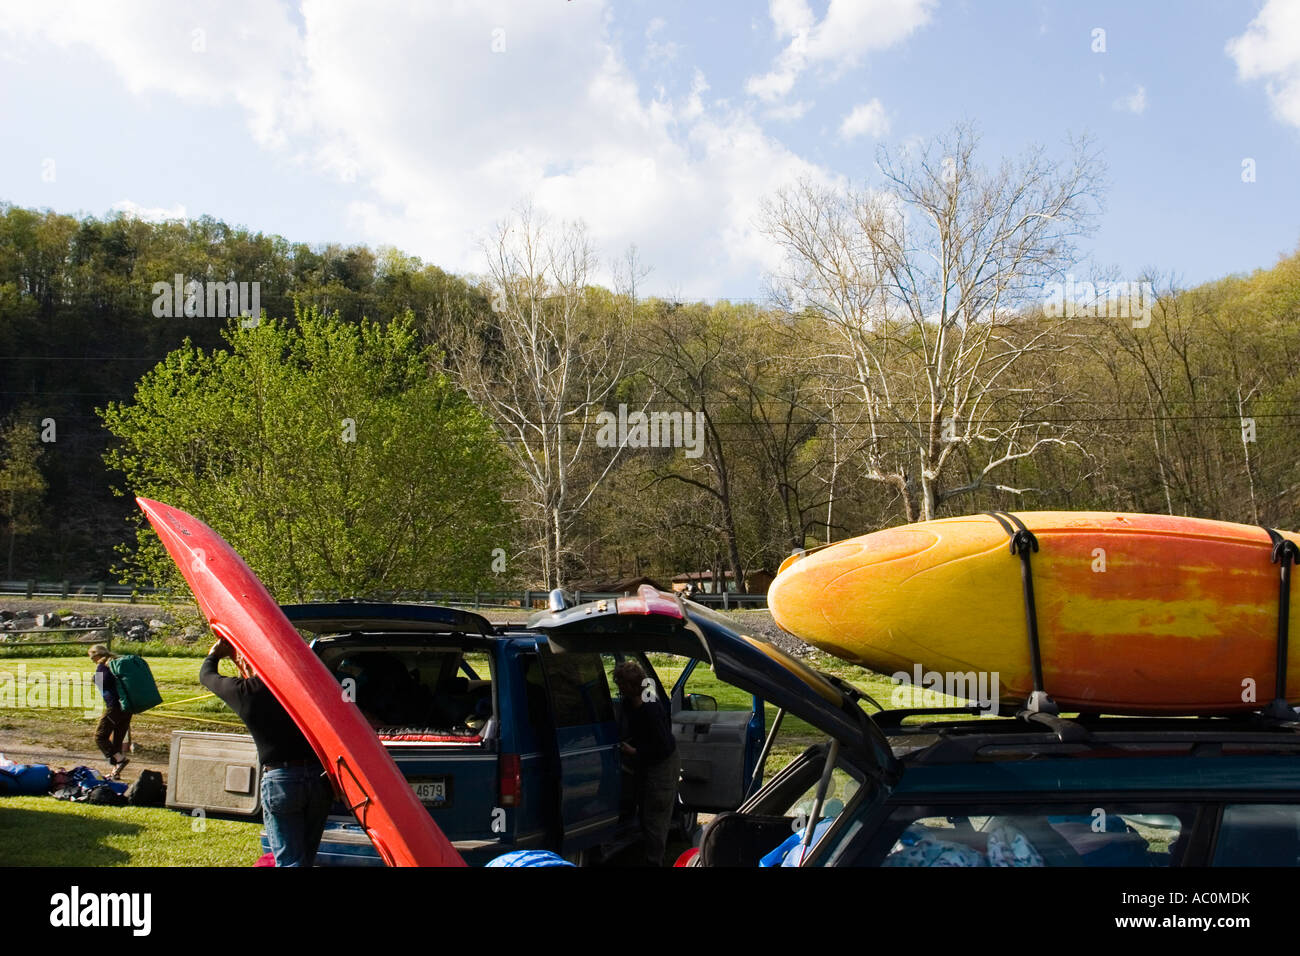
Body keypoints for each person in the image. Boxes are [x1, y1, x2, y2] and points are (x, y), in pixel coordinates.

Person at [200, 638, 333, 866]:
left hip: (281, 781)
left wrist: (215, 654)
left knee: (290, 861)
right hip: (319, 777)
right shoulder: (304, 686)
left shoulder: (246, 693)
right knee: (305, 859)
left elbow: (206, 676)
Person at [612, 659, 681, 866]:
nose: (619, 689)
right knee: (645, 810)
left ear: (633, 686)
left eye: (622, 685)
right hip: (647, 760)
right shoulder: (630, 702)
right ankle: (645, 853)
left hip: (663, 763)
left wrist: (635, 751)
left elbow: (660, 747)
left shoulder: (650, 708)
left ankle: (654, 861)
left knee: (655, 816)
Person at [88, 644, 130, 780]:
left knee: (100, 736)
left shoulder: (102, 666)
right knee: (117, 740)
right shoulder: (116, 663)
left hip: (114, 707)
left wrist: (95, 679)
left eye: (92, 658)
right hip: (127, 707)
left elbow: (103, 682)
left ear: (97, 656)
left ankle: (120, 760)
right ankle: (115, 773)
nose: (92, 661)